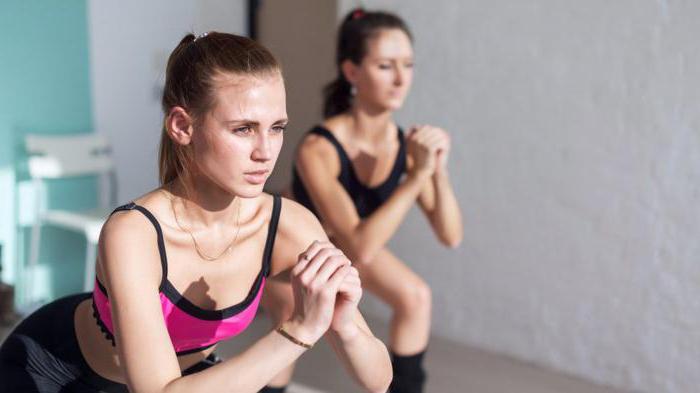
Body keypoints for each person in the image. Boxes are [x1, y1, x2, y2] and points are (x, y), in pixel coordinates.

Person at [0, 32, 392, 393]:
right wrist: (299, 331)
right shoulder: (134, 233)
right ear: (182, 126)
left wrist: (342, 324)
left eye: (276, 127)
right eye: (243, 129)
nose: (266, 151)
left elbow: (378, 380)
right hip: (52, 371)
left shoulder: (289, 225)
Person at [263, 9, 463, 393]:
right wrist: (417, 176)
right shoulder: (318, 147)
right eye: (386, 66)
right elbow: (359, 244)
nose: (401, 79)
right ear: (352, 72)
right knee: (289, 327)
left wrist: (437, 170)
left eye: (408, 65)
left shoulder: (406, 148)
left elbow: (450, 235)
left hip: (346, 253)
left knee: (415, 296)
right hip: (291, 254)